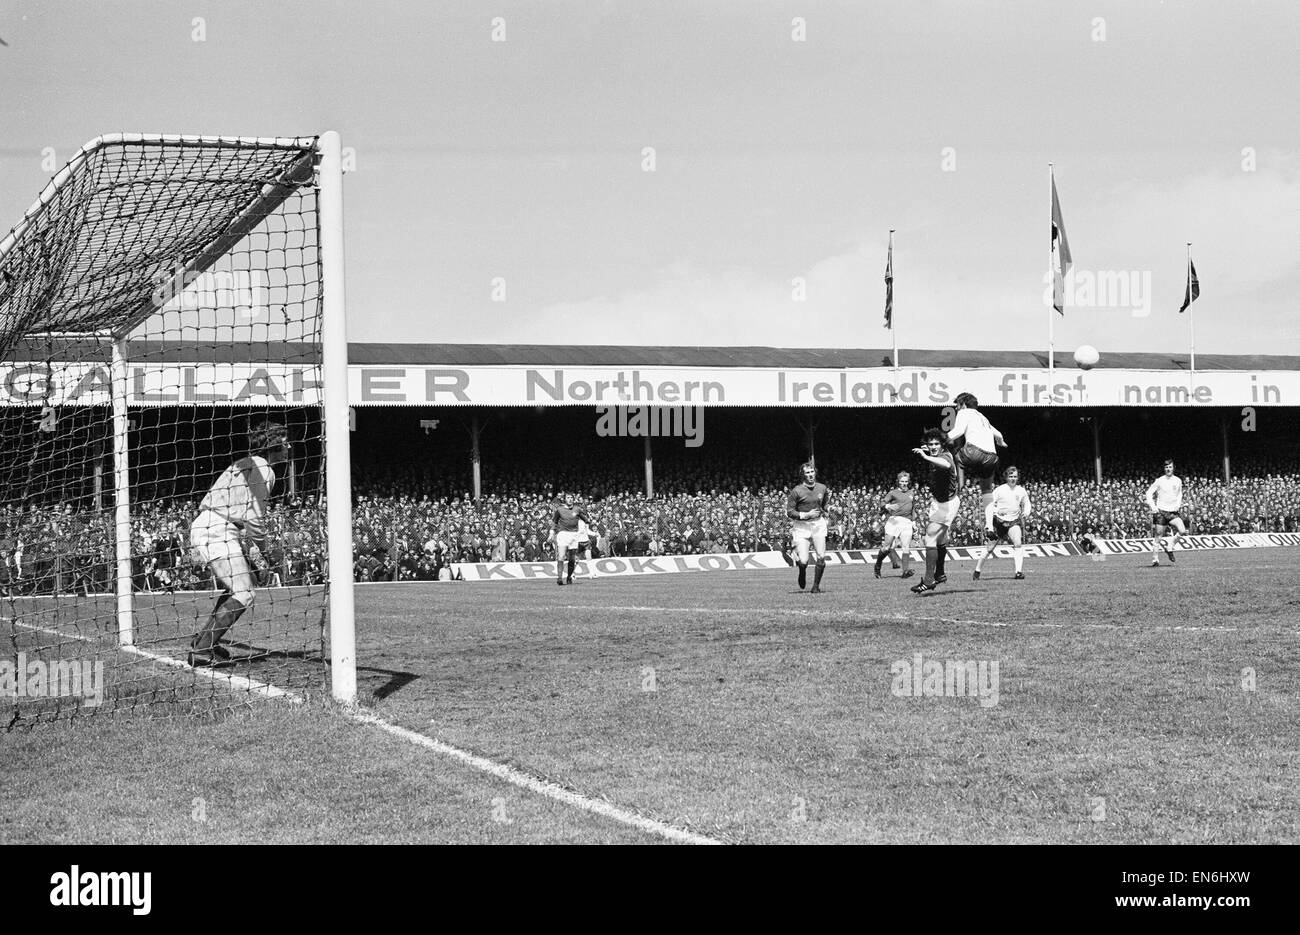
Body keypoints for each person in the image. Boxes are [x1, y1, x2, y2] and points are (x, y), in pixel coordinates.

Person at [187, 421, 289, 666]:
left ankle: (205, 639)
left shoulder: (243, 463)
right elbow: (253, 518)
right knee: (244, 593)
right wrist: (268, 553)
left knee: (245, 583)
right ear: (274, 445)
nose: (288, 446)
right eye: (284, 441)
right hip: (217, 529)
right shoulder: (265, 469)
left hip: (214, 526)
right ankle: (202, 649)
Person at [910, 429, 959, 594]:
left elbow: (946, 465)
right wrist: (928, 452)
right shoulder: (938, 454)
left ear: (943, 444)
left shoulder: (945, 457)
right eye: (930, 444)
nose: (933, 446)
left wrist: (925, 456)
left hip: (947, 504)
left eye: (936, 443)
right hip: (939, 502)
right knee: (940, 540)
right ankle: (940, 574)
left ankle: (929, 580)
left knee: (929, 537)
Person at [946, 392, 1007, 512]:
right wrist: (1001, 443)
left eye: (957, 405)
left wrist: (941, 440)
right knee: (986, 488)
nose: (956, 408)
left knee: (952, 450)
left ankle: (953, 488)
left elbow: (958, 431)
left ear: (963, 404)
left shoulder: (964, 412)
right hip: (992, 458)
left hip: (973, 453)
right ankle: (989, 525)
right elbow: (999, 435)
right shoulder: (983, 417)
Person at [973, 466, 1032, 580]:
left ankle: (1018, 572)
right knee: (989, 549)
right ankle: (977, 570)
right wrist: (997, 511)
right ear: (1006, 477)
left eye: (1015, 476)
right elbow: (989, 505)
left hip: (1013, 522)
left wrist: (1027, 511)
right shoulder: (999, 490)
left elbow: (1027, 503)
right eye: (1010, 476)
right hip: (999, 522)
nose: (1013, 479)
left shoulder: (1021, 490)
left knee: (1018, 543)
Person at [786, 461, 830, 593]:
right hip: (801, 527)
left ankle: (816, 587)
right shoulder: (796, 491)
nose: (810, 475)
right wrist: (806, 514)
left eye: (812, 472)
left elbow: (824, 505)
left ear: (815, 472)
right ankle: (802, 570)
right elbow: (790, 512)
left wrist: (830, 508)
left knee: (821, 556)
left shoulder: (822, 488)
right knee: (804, 561)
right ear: (803, 475)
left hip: (818, 524)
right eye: (807, 472)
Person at [874, 470, 916, 579]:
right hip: (894, 521)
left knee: (906, 547)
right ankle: (878, 566)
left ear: (908, 482)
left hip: (907, 522)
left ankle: (905, 571)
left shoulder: (911, 493)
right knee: (887, 547)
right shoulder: (893, 493)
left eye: (906, 481)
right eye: (902, 481)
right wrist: (888, 506)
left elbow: (913, 508)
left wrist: (914, 522)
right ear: (898, 482)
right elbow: (882, 503)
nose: (904, 483)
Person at [1146, 459, 1188, 566]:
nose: (1168, 469)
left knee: (1182, 530)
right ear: (1164, 469)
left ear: (1173, 468)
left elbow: (1179, 494)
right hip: (1161, 512)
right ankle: (1155, 560)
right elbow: (1149, 493)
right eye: (1166, 467)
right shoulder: (1159, 480)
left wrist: (1178, 505)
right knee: (1158, 536)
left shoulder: (1178, 480)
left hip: (1173, 512)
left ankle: (1169, 547)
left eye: (1170, 467)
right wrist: (1153, 507)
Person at [552, 493, 591, 585]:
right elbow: (554, 522)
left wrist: (587, 520)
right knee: (561, 556)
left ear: (573, 499)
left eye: (571, 498)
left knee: (572, 558)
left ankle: (569, 577)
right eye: (568, 498)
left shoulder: (577, 509)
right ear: (565, 499)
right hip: (563, 534)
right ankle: (559, 578)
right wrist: (552, 532)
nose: (570, 499)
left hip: (574, 535)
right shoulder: (559, 510)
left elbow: (586, 519)